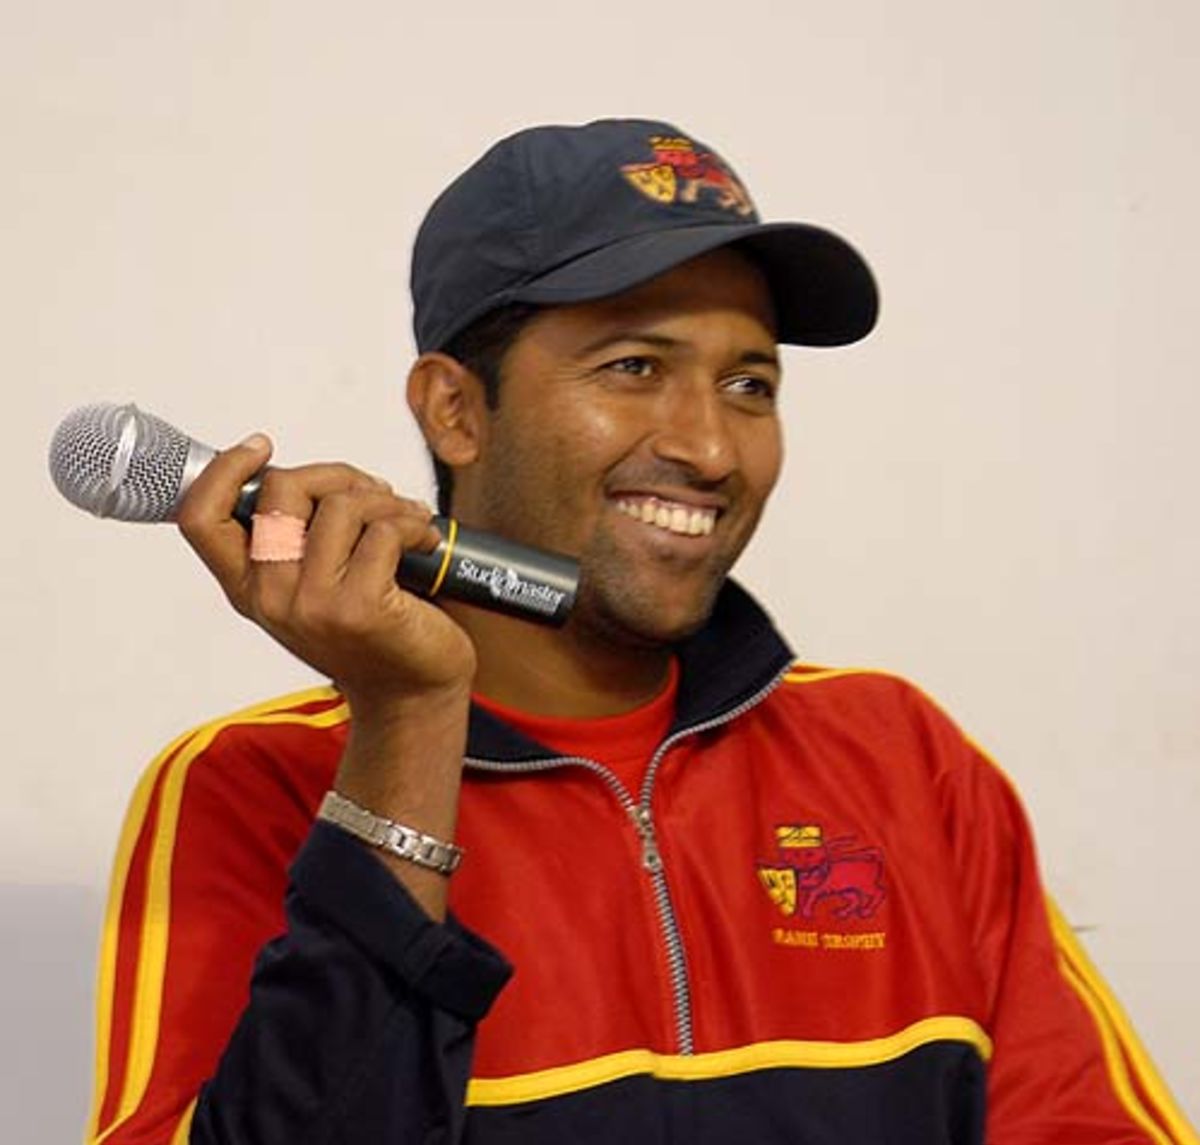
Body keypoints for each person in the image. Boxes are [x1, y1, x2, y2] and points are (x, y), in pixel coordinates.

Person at [85, 119, 1196, 1144]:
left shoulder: (904, 757)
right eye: (635, 366)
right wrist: (410, 720)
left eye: (750, 382)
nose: (712, 447)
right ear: (456, 409)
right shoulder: (254, 782)